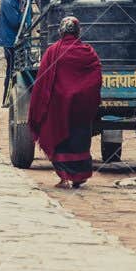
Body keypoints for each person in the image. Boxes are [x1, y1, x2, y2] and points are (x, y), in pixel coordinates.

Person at [27, 13, 103, 189]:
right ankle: (79, 177)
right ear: (78, 32)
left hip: (59, 107)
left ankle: (64, 177)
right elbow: (96, 75)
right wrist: (86, 96)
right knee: (80, 140)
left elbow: (42, 80)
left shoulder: (53, 51)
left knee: (59, 139)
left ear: (61, 32)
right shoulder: (88, 52)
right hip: (81, 108)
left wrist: (42, 102)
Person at [0, 0, 24, 91]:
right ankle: (7, 96)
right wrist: (22, 12)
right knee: (11, 69)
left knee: (13, 67)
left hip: (13, 39)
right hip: (10, 41)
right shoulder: (8, 1)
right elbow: (15, 22)